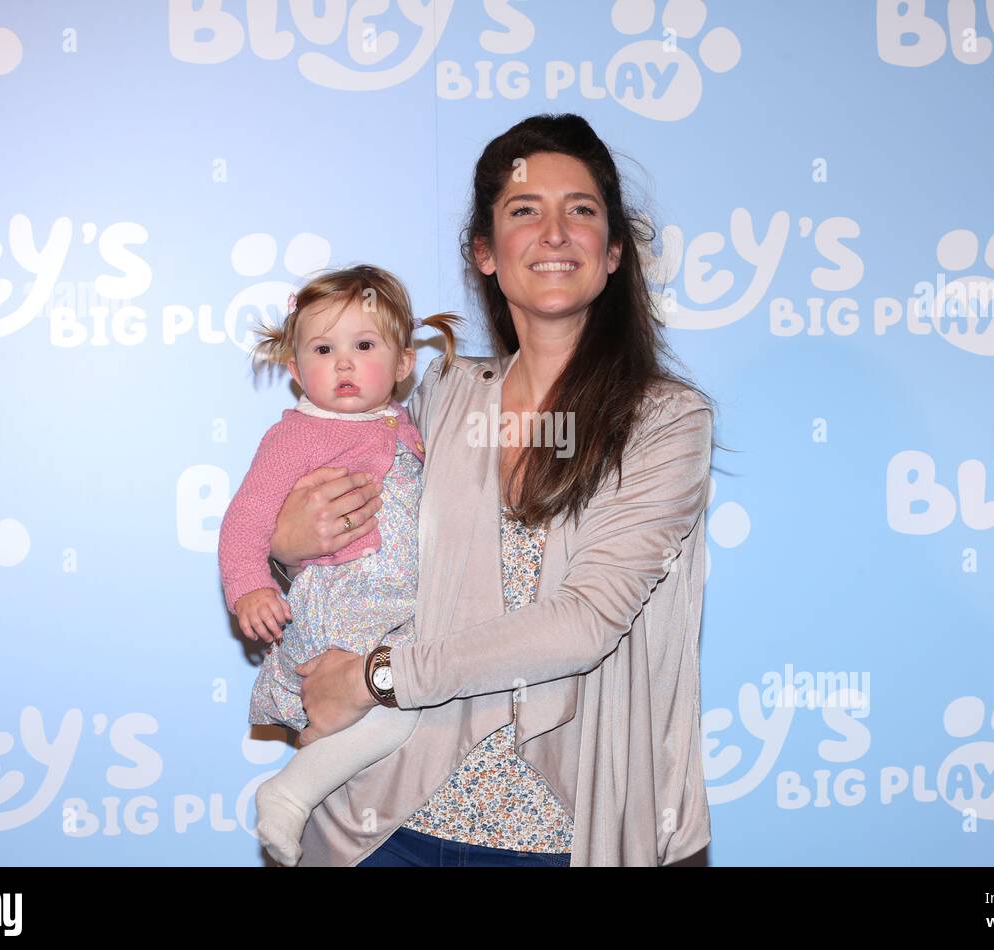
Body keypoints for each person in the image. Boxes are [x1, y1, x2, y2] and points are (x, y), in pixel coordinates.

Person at [269, 113, 719, 867]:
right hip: (385, 824)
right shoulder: (437, 399)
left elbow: (582, 625)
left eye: (580, 209)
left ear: (612, 254)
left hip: (560, 835)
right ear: (484, 251)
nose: (553, 233)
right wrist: (285, 545)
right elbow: (346, 560)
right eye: (522, 210)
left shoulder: (665, 421)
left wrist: (377, 678)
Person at [217, 263, 459, 865]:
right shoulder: (296, 436)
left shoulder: (409, 427)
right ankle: (292, 793)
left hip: (400, 613)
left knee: (410, 701)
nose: (344, 363)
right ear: (297, 370)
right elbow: (246, 519)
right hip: (343, 603)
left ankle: (307, 777)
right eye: (324, 349)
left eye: (364, 345)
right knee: (401, 709)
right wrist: (250, 587)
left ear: (404, 362)